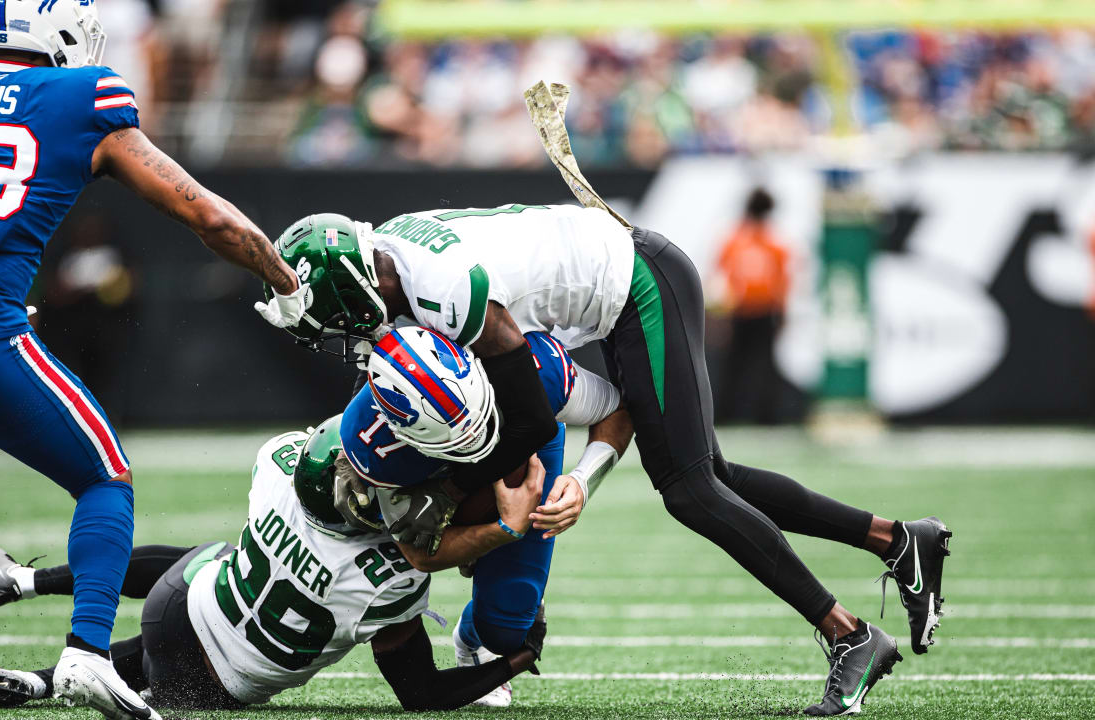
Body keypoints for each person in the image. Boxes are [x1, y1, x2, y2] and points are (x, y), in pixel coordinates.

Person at [0, 1, 309, 718]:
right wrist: (287, 283)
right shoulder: (82, 96)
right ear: (57, 30)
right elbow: (208, 216)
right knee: (104, 479)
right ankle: (84, 654)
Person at [259, 208, 952, 715]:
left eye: (337, 319)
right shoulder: (395, 263)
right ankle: (898, 541)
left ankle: (849, 635)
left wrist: (479, 491)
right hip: (613, 271)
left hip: (637, 285)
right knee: (714, 476)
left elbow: (532, 417)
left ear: (354, 284)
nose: (346, 336)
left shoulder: (442, 290)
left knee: (689, 489)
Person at [0, 417, 546, 711]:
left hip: (183, 603)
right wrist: (512, 659)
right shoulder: (396, 585)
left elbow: (338, 447)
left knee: (215, 562)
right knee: (204, 643)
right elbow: (421, 694)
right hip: (215, 685)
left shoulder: (278, 465)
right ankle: (71, 676)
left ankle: (33, 639)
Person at [336, 326, 632, 706]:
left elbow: (618, 409)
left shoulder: (536, 372)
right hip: (428, 479)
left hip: (521, 445)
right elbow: (418, 553)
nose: (475, 443)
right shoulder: (374, 445)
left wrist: (581, 482)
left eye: (476, 423)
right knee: (410, 527)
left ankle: (473, 637)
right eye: (456, 440)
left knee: (505, 629)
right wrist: (502, 529)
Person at [714, 187, 792, 424]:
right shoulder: (775, 244)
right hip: (764, 312)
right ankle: (765, 416)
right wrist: (782, 314)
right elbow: (782, 283)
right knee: (763, 365)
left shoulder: (734, 240)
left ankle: (728, 415)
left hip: (740, 311)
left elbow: (722, 279)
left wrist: (720, 316)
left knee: (734, 366)